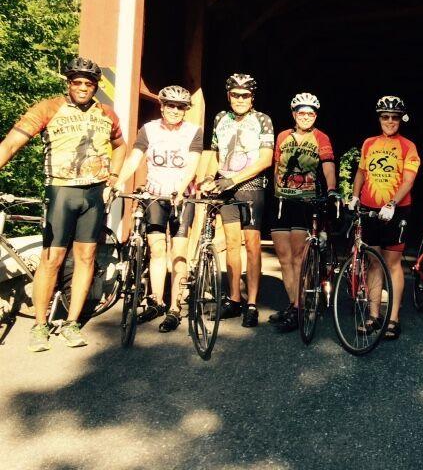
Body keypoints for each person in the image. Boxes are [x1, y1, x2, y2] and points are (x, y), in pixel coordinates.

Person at [0, 57, 126, 351]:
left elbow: (121, 146)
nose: (83, 87)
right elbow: (10, 144)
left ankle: (71, 323)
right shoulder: (48, 108)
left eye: (89, 83)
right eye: (77, 82)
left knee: (86, 258)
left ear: (96, 86)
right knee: (52, 259)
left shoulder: (107, 113)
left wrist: (114, 176)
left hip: (94, 194)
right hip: (61, 192)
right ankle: (40, 325)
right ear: (68, 83)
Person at [112, 85, 202, 332]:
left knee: (179, 252)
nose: (175, 110)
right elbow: (134, 158)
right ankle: (157, 301)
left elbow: (192, 165)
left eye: (180, 107)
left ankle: (175, 307)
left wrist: (181, 190)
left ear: (186, 110)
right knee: (157, 249)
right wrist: (118, 182)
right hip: (155, 196)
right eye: (170, 105)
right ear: (162, 106)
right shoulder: (148, 129)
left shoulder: (193, 131)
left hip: (182, 197)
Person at [199, 74, 273, 327]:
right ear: (228, 96)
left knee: (252, 244)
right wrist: (209, 177)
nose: (240, 99)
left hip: (251, 188)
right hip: (226, 188)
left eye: (245, 95)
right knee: (231, 243)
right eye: (235, 95)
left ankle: (251, 303)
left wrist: (232, 180)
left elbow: (265, 160)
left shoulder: (262, 120)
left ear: (252, 98)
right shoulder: (220, 118)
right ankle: (234, 298)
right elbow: (215, 154)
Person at [349, 96, 420, 339]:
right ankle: (373, 315)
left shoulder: (408, 146)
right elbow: (361, 172)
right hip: (369, 209)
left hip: (396, 211)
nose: (390, 121)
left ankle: (393, 319)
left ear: (401, 119)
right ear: (379, 119)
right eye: (385, 117)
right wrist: (355, 196)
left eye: (394, 117)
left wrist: (392, 203)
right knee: (373, 262)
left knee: (392, 263)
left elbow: (408, 180)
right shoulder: (369, 143)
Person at [269, 93, 338, 332]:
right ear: (294, 114)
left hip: (305, 201)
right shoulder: (283, 136)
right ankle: (293, 305)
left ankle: (300, 308)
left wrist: (331, 189)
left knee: (299, 256)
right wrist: (276, 191)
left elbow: (328, 166)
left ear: (315, 116)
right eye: (302, 113)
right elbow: (277, 166)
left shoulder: (320, 137)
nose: (306, 117)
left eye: (310, 113)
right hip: (281, 201)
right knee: (284, 257)